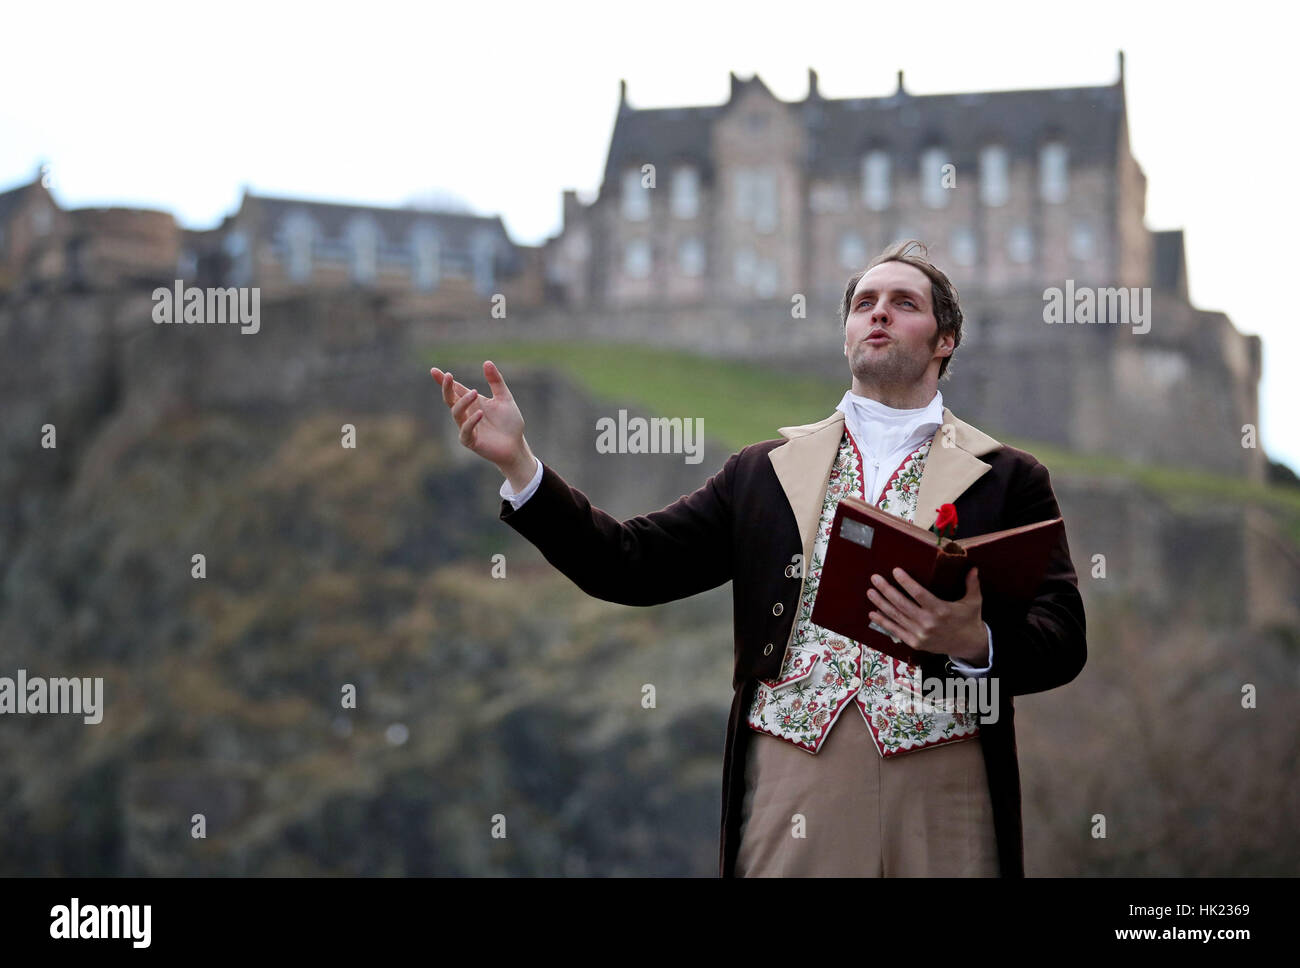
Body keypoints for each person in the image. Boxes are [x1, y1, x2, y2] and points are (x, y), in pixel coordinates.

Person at [430, 239, 1087, 877]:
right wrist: (520, 466)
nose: (879, 312)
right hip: (795, 776)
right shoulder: (761, 473)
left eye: (904, 303)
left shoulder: (1007, 478)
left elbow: (1063, 640)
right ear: (848, 333)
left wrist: (975, 644)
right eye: (865, 303)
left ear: (945, 341)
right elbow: (626, 562)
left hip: (947, 780)